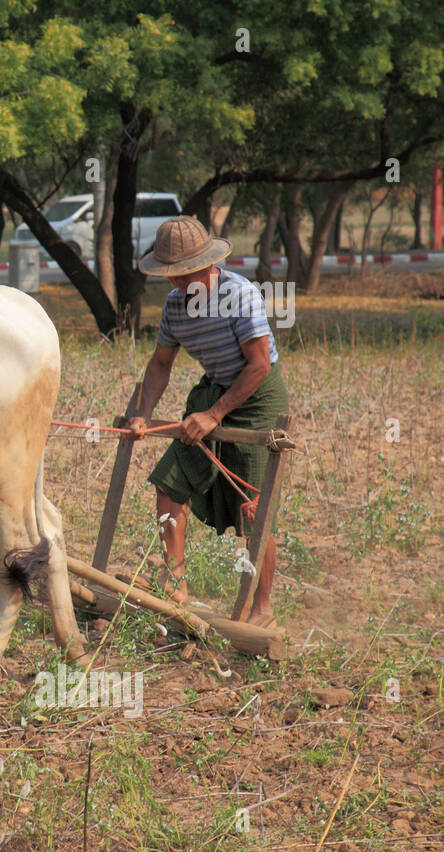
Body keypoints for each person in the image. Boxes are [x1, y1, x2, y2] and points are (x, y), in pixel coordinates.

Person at [126, 216, 289, 628]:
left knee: (254, 509)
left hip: (256, 400)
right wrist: (143, 413)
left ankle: (262, 608)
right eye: (172, 276)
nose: (178, 284)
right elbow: (161, 364)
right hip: (212, 394)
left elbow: (257, 367)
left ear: (207, 264)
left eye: (186, 274)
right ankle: (175, 583)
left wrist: (216, 414)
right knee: (168, 485)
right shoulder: (174, 306)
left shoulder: (241, 294)